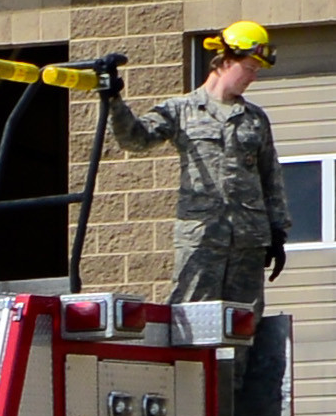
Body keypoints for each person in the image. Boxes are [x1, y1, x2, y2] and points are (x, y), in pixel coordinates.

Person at [119, 21, 288, 312]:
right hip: (202, 241)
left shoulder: (254, 119)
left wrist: (277, 232)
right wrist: (112, 101)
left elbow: (270, 176)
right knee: (192, 323)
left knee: (243, 327)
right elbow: (135, 139)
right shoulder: (180, 110)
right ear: (225, 61)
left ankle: (238, 362)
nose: (253, 77)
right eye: (249, 68)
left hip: (247, 243)